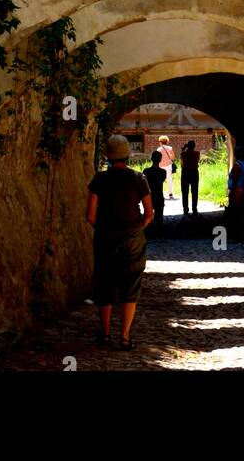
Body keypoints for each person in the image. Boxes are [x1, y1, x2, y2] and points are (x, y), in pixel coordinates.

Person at [86, 134, 153, 350]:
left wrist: (105, 230)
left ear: (108, 156)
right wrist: (136, 229)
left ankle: (105, 334)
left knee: (104, 282)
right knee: (130, 284)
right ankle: (125, 337)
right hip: (133, 238)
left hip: (106, 237)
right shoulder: (139, 178)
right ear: (127, 155)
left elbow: (90, 215)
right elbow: (149, 213)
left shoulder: (99, 179)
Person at [227, 145, 244, 237]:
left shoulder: (237, 165)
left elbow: (235, 180)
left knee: (236, 212)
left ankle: (237, 234)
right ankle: (243, 233)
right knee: (242, 212)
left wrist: (232, 192)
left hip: (237, 190)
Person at [143, 149, 167, 235]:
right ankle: (159, 233)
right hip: (159, 195)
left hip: (149, 196)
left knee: (148, 215)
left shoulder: (146, 171)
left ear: (151, 159)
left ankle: (148, 232)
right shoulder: (163, 172)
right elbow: (162, 180)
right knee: (159, 216)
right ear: (160, 159)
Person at [180, 139, 200, 215]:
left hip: (185, 172)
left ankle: (185, 209)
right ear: (194, 146)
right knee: (195, 192)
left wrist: (183, 148)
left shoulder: (183, 154)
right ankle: (194, 209)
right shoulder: (197, 153)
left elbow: (182, 160)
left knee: (184, 192)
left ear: (187, 146)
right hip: (194, 172)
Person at [157, 134, 176, 200]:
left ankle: (160, 193)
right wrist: (168, 158)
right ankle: (170, 193)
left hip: (160, 166)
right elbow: (173, 157)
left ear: (160, 142)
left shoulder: (159, 149)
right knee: (169, 179)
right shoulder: (170, 148)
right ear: (167, 141)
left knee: (160, 180)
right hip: (168, 165)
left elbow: (157, 158)